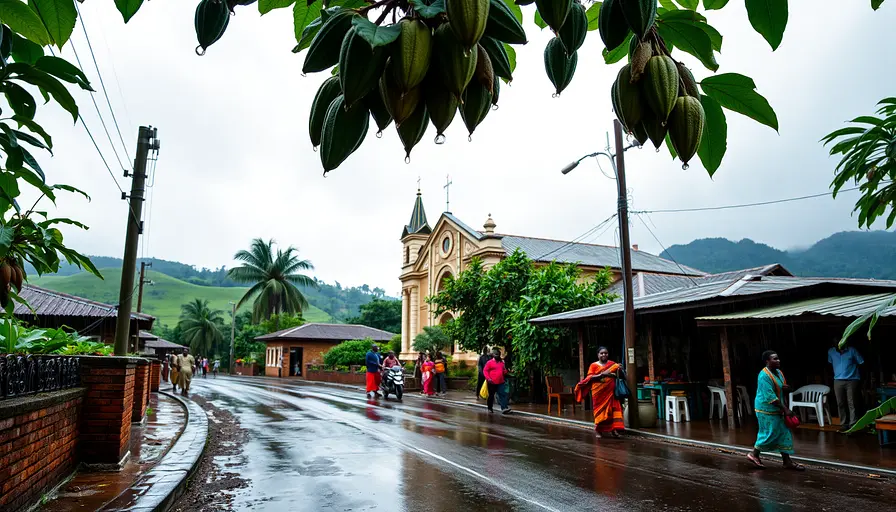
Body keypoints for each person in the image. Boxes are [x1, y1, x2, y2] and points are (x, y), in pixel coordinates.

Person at [747, 350, 805, 470]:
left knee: (784, 432)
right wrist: (786, 409)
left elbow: (779, 386)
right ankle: (754, 454)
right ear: (767, 361)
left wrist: (785, 388)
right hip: (766, 409)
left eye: (778, 358)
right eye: (775, 359)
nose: (778, 361)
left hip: (778, 408)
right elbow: (770, 397)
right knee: (770, 433)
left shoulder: (778, 372)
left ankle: (787, 461)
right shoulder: (763, 376)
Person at [575, 347, 624, 438]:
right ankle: (598, 430)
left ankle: (614, 430)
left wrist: (618, 369)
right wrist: (602, 374)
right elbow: (590, 378)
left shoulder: (612, 364)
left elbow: (620, 376)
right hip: (598, 393)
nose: (604, 355)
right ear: (598, 355)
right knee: (599, 412)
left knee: (612, 411)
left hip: (610, 393)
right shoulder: (593, 365)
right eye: (601, 353)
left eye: (606, 353)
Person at [828, 340, 865, 431]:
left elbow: (861, 363)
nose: (838, 344)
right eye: (836, 342)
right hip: (838, 380)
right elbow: (830, 364)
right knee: (840, 403)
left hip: (852, 380)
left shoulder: (852, 350)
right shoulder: (831, 351)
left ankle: (853, 424)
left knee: (852, 402)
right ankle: (844, 424)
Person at [483, 349, 512, 414]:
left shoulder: (501, 362)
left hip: (500, 382)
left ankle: (504, 408)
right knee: (491, 395)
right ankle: (490, 408)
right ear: (493, 355)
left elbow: (504, 371)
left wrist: (507, 371)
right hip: (491, 382)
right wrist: (488, 378)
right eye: (495, 354)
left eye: (498, 354)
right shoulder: (489, 362)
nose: (497, 356)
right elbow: (485, 371)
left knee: (503, 395)